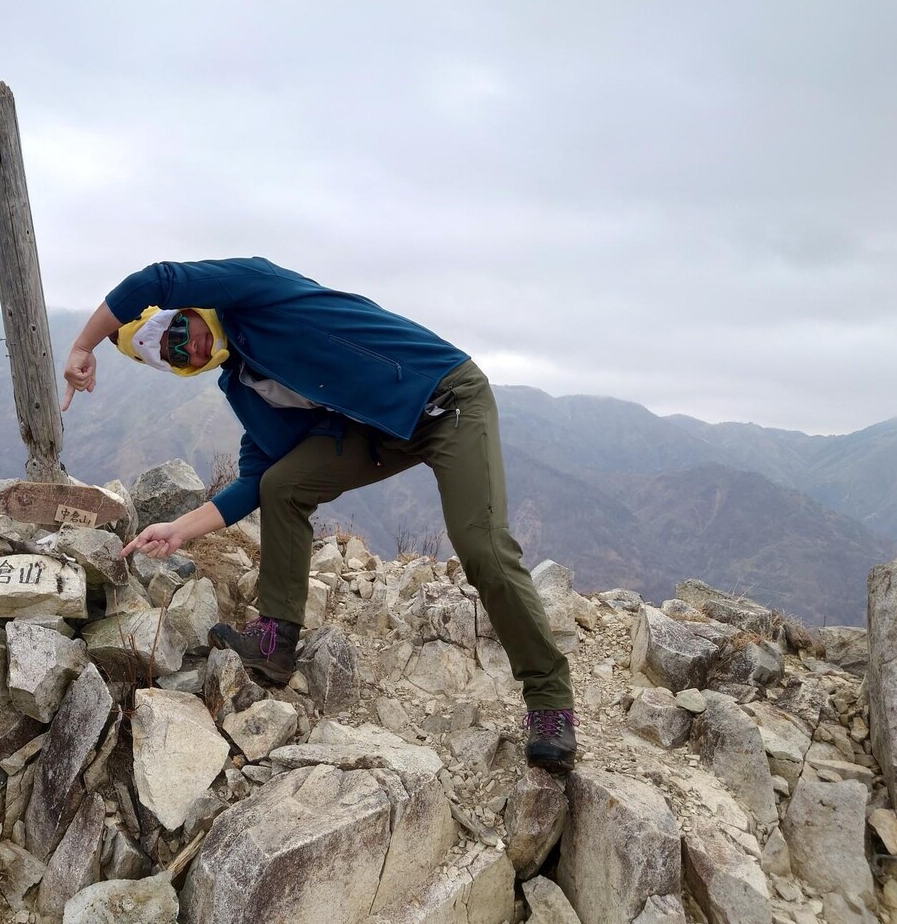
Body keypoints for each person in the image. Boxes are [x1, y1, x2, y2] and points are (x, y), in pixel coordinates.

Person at [61, 257, 576, 773]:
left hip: (444, 397)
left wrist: (85, 344)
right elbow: (253, 482)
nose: (186, 347)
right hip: (380, 435)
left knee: (480, 544)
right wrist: (178, 530)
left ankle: (549, 700)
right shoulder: (242, 386)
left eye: (178, 330)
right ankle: (274, 641)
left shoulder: (254, 293)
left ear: (186, 311)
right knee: (281, 485)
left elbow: (157, 279)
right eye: (173, 356)